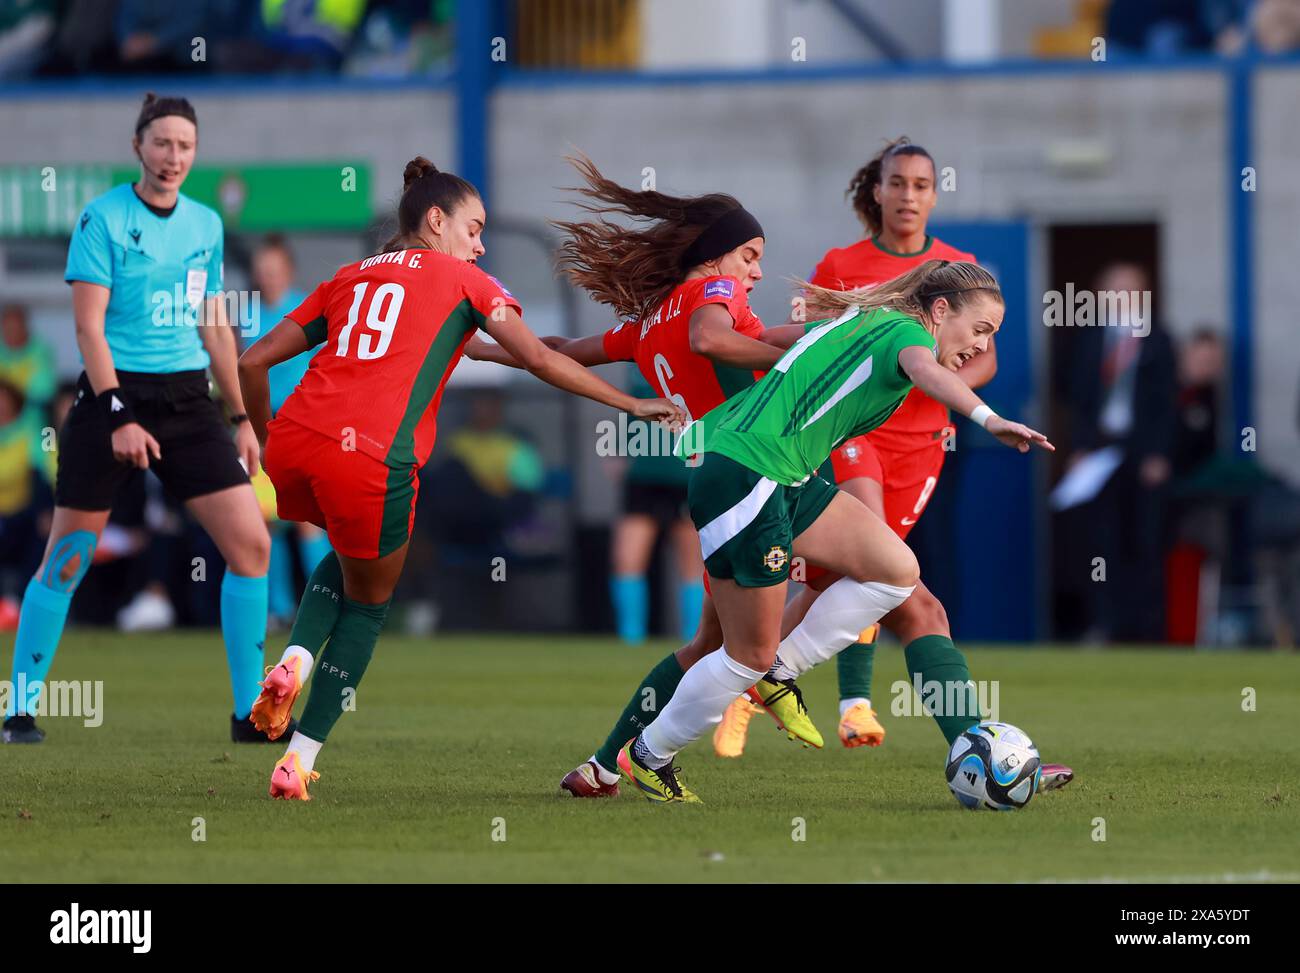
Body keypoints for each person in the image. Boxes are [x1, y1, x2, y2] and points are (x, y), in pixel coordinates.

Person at [236, 156, 683, 800]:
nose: (480, 244)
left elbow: (253, 361)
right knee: (370, 603)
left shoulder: (349, 275)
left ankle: (293, 662)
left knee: (350, 559)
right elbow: (536, 359)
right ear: (436, 220)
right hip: (372, 459)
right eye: (474, 229)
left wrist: (267, 435)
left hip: (295, 443)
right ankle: (297, 761)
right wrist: (632, 404)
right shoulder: (465, 282)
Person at [620, 260, 1054, 802]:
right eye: (981, 330)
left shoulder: (862, 319)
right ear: (940, 310)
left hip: (784, 476)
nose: (982, 346)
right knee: (742, 653)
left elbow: (767, 340)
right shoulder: (908, 335)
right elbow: (926, 369)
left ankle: (779, 670)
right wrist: (990, 419)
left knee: (897, 570)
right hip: (748, 470)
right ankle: (648, 753)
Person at [463, 155, 822, 797]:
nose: (757, 270)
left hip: (708, 482)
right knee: (884, 570)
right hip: (752, 476)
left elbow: (559, 354)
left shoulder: (651, 320)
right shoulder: (715, 292)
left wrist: (481, 345)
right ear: (716, 256)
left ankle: (602, 766)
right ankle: (773, 676)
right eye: (750, 254)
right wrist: (794, 360)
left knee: (709, 641)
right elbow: (720, 339)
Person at [2, 93, 275, 745]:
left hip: (187, 403)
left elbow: (214, 323)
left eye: (184, 146)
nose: (172, 156)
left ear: (194, 154)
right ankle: (19, 711)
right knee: (67, 559)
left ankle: (250, 716)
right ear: (137, 148)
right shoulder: (102, 218)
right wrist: (119, 413)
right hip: (111, 398)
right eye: (161, 143)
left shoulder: (205, 225)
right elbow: (87, 329)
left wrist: (239, 415)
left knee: (252, 545)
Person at [717, 137, 992, 755]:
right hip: (855, 435)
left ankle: (746, 682)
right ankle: (858, 706)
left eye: (921, 185)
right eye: (897, 183)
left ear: (934, 193)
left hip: (921, 444)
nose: (908, 196)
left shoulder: (957, 265)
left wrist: (948, 393)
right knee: (886, 568)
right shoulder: (842, 263)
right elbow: (810, 347)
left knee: (839, 580)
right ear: (878, 190)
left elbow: (982, 359)